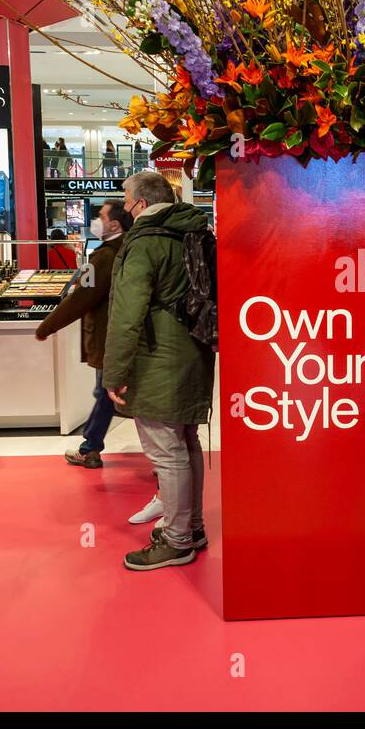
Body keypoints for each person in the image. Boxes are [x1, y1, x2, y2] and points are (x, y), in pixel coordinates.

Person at [106, 171, 215, 569]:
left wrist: (114, 370)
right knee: (186, 444)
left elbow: (127, 314)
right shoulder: (196, 232)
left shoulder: (145, 243)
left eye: (125, 198)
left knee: (166, 452)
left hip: (158, 358)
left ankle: (177, 539)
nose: (124, 206)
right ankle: (192, 526)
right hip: (195, 351)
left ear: (139, 203)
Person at [35, 200, 132, 469]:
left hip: (106, 337)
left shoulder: (101, 257)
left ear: (114, 223)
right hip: (126, 335)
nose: (96, 221)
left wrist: (47, 326)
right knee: (107, 392)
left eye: (100, 216)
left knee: (106, 392)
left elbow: (80, 299)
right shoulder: (131, 249)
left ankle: (89, 448)